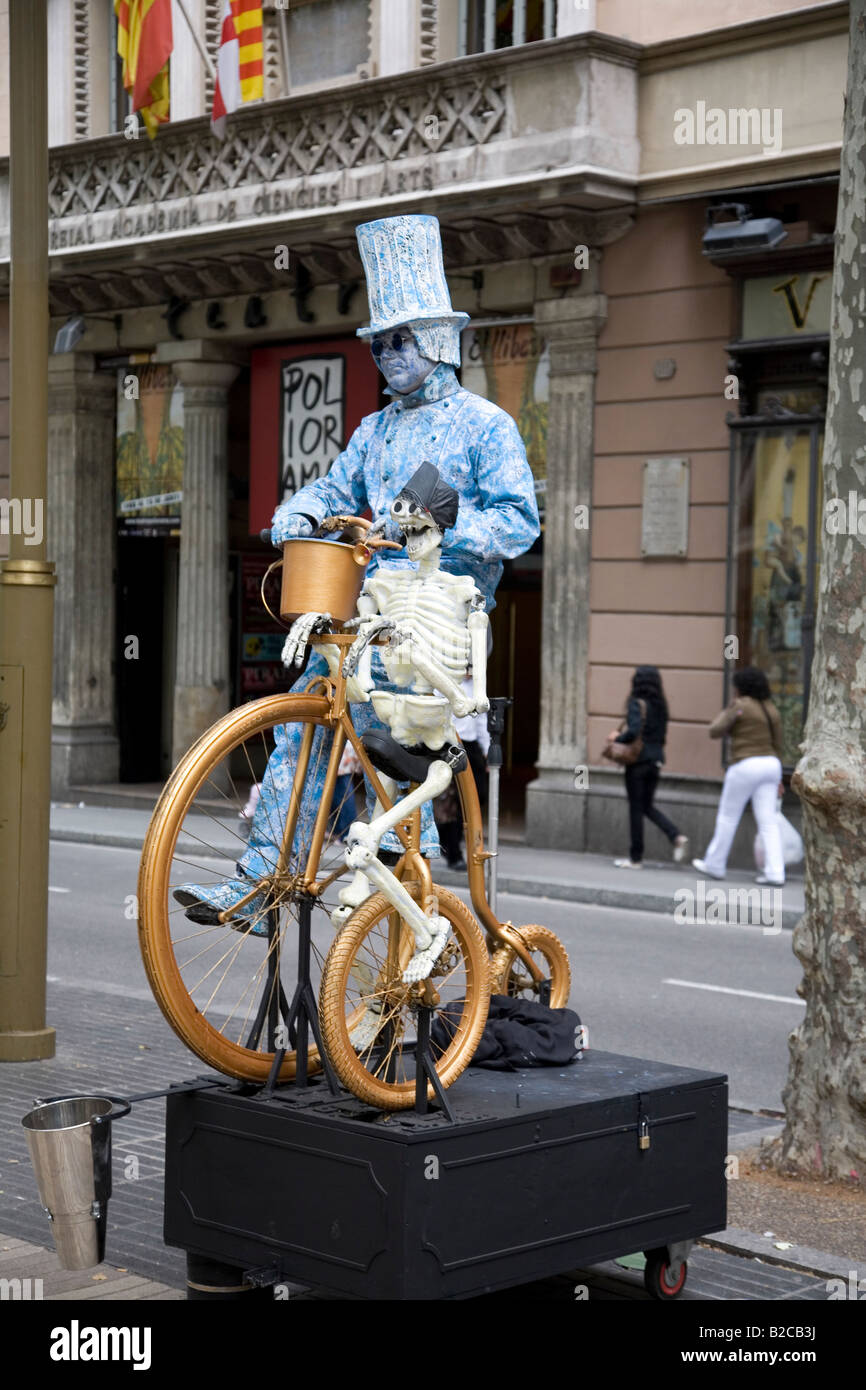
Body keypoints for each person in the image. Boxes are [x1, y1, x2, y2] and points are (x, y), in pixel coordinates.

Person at [175, 213, 539, 926]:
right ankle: (259, 882)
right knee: (302, 728)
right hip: (369, 619)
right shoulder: (371, 432)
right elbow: (330, 490)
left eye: (401, 339)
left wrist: (437, 529)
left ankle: (407, 859)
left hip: (443, 627)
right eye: (380, 342)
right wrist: (300, 513)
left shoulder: (486, 425)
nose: (387, 354)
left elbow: (520, 522)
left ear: (437, 339)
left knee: (382, 729)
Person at [692, 665, 785, 886]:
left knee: (728, 816)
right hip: (771, 765)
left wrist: (730, 711)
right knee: (768, 822)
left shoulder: (740, 706)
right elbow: (779, 743)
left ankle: (715, 864)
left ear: (741, 687)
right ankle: (775, 872)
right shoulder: (771, 709)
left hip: (745, 764)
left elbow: (714, 730)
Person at [608, 665, 688, 869]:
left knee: (636, 808)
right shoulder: (661, 707)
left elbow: (633, 732)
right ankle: (676, 836)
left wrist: (618, 737)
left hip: (638, 762)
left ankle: (635, 858)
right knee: (646, 805)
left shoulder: (637, 704)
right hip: (656, 760)